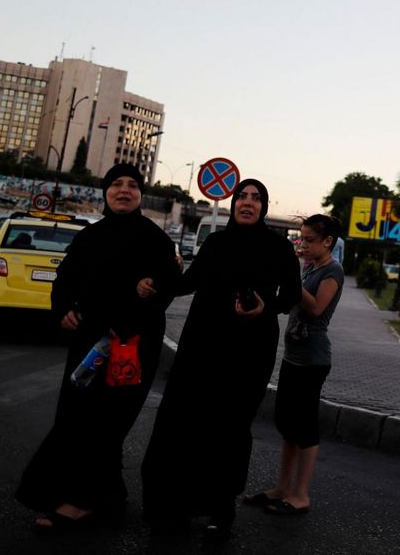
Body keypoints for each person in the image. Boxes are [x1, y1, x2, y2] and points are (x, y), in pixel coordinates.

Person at [15, 163, 179, 531]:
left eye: (132, 185)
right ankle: (109, 497)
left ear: (140, 194)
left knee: (108, 420)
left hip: (131, 346)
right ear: (106, 193)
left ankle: (82, 502)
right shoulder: (89, 237)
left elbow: (172, 280)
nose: (124, 190)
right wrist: (64, 310)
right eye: (116, 184)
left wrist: (151, 287)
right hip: (89, 347)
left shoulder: (155, 239)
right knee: (78, 418)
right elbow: (65, 279)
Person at [141, 179, 300, 537]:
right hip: (203, 345)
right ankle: (180, 505)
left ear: (264, 206)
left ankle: (221, 508)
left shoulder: (278, 247)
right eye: (241, 197)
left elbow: (290, 295)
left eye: (256, 198)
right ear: (231, 204)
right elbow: (188, 284)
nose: (248, 203)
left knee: (230, 427)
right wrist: (159, 281)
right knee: (190, 424)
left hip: (250, 349)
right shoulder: (216, 242)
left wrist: (265, 307)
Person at [244, 214, 345, 517]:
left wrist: (292, 274)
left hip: (313, 360)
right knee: (288, 426)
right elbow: (290, 301)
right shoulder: (309, 267)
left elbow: (315, 308)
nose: (303, 244)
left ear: (328, 242)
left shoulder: (333, 271)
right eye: (301, 238)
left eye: (310, 239)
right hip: (293, 356)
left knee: (305, 428)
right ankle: (282, 488)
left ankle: (301, 495)